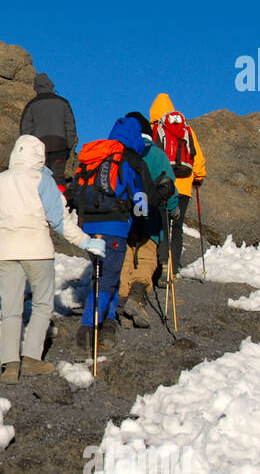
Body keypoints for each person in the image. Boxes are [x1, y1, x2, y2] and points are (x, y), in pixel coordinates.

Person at [0, 135, 102, 381]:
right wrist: (86, 242)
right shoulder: (42, 179)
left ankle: (10, 366)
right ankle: (32, 360)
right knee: (42, 304)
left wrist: (8, 233)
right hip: (37, 250)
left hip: (4, 252)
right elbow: (59, 221)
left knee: (11, 308)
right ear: (40, 156)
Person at [70, 117, 164, 352]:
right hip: (115, 228)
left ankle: (109, 326)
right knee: (108, 281)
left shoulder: (97, 154)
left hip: (89, 228)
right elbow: (141, 205)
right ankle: (86, 333)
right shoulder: (132, 160)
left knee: (103, 277)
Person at [118, 113, 178, 328]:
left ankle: (122, 301)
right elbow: (171, 188)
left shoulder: (121, 152)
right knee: (146, 257)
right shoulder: (158, 155)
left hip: (124, 215)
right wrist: (173, 210)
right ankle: (137, 296)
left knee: (125, 256)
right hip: (150, 214)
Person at [149, 94, 207, 278]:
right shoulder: (186, 130)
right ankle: (173, 268)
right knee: (177, 228)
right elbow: (197, 158)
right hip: (184, 187)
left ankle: (160, 264)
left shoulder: (155, 128)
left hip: (162, 185)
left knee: (160, 225)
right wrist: (198, 177)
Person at [20, 72, 78, 181]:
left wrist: (29, 149)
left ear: (36, 88)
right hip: (60, 145)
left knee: (40, 179)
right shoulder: (63, 102)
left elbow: (25, 131)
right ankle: (60, 196)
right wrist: (68, 146)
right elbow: (71, 127)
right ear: (51, 85)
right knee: (58, 177)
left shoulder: (31, 105)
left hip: (39, 148)